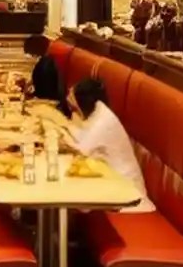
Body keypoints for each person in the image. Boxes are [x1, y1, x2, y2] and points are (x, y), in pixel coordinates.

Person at [62, 78, 153, 213]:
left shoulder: (103, 121)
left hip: (128, 195)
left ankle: (60, 231)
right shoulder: (98, 113)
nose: (73, 112)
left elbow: (81, 149)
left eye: (74, 107)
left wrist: (62, 128)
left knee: (69, 190)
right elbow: (80, 136)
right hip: (114, 185)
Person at [25, 34, 66, 109]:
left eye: (32, 54)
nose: (32, 56)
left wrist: (32, 96)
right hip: (50, 101)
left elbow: (46, 91)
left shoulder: (46, 64)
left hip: (48, 103)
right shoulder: (48, 60)